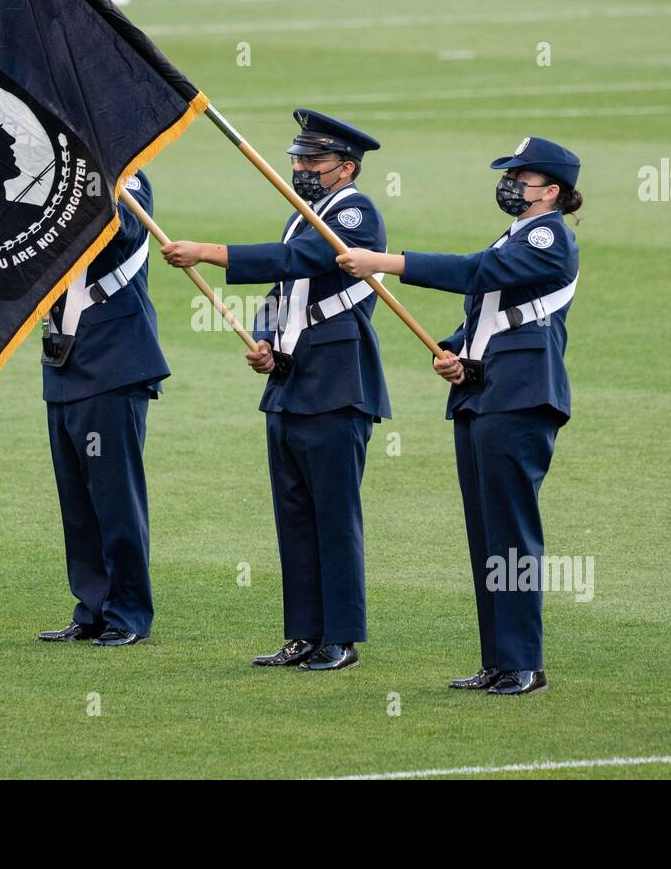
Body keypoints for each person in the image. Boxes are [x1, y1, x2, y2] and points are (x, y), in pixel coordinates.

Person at [338, 136, 581, 695]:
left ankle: (523, 662)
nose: (510, 185)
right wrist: (455, 352)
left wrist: (385, 263)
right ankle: (498, 659)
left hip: (520, 396)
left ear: (552, 191)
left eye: (521, 178)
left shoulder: (547, 234)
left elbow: (476, 274)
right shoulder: (517, 234)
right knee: (487, 533)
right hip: (486, 392)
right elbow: (491, 314)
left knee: (512, 535)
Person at [160, 109, 390, 671]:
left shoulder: (354, 211)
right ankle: (303, 634)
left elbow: (302, 260)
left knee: (334, 515)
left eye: (313, 160)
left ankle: (341, 637)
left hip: (336, 386)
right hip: (292, 384)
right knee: (294, 515)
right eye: (298, 158)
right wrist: (265, 340)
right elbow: (284, 291)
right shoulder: (305, 214)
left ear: (346, 168)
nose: (300, 167)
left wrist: (210, 252)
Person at [37, 171, 167, 647]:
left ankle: (128, 613)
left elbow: (125, 229)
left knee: (116, 499)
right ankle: (91, 608)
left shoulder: (127, 179)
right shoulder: (53, 180)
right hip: (64, 360)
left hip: (114, 361)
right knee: (77, 501)